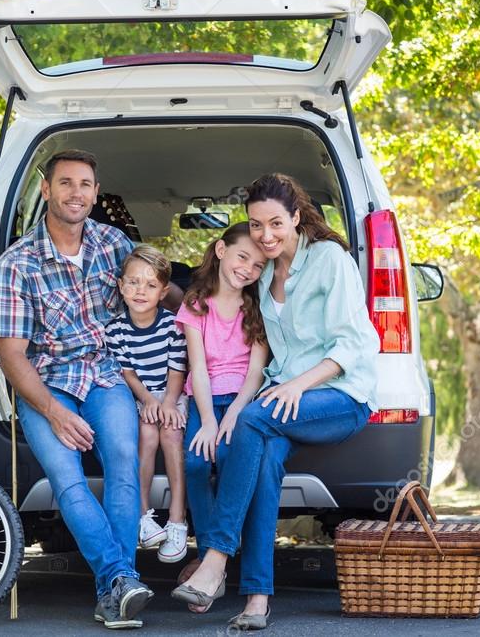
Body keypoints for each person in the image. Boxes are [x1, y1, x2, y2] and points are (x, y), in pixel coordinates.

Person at [172, 173, 380, 630]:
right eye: (256, 224)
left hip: (339, 395)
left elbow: (355, 344)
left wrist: (296, 385)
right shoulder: (264, 277)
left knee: (250, 419)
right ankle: (258, 599)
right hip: (284, 399)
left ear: (296, 217)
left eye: (275, 224)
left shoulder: (330, 260)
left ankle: (215, 557)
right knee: (263, 463)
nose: (265, 235)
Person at [0, 149, 154, 629]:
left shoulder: (114, 243)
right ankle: (120, 580)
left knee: (124, 462)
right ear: (46, 190)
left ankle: (114, 589)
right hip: (46, 383)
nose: (76, 193)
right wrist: (56, 414)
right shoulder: (16, 263)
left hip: (105, 374)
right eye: (65, 183)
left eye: (84, 184)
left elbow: (154, 287)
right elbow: (12, 355)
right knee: (68, 478)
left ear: (96, 193)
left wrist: (211, 298)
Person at [174, 222, 269, 612]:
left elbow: (256, 371)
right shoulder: (195, 303)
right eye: (242, 256)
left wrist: (233, 414)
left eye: (259, 265)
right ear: (220, 250)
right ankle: (210, 559)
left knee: (231, 464)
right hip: (204, 398)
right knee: (196, 464)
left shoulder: (257, 307)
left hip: (241, 400)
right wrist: (209, 420)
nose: (247, 268)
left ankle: (214, 563)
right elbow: (196, 367)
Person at [104, 245, 189, 563]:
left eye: (151, 285)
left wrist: (167, 402)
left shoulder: (172, 325)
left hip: (171, 393)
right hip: (141, 395)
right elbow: (127, 373)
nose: (141, 291)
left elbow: (177, 369)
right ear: (121, 285)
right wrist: (148, 401)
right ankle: (142, 518)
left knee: (170, 434)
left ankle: (177, 520)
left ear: (163, 291)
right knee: (148, 436)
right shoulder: (116, 330)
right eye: (134, 282)